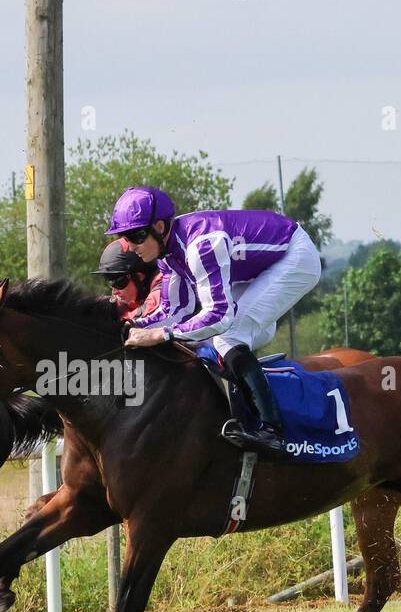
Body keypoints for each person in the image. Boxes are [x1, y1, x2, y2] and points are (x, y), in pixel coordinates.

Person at [107, 186, 322, 455]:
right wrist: (132, 327)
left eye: (136, 235)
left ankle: (272, 430)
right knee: (215, 337)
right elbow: (176, 310)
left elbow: (218, 315)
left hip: (295, 256)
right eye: (125, 237)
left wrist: (160, 335)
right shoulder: (167, 256)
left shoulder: (200, 246)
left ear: (159, 227)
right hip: (258, 269)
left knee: (227, 335)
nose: (131, 246)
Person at [91, 239, 162, 320]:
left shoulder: (162, 280)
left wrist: (121, 320)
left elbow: (151, 310)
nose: (114, 292)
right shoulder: (135, 294)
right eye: (111, 283)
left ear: (139, 276)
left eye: (119, 282)